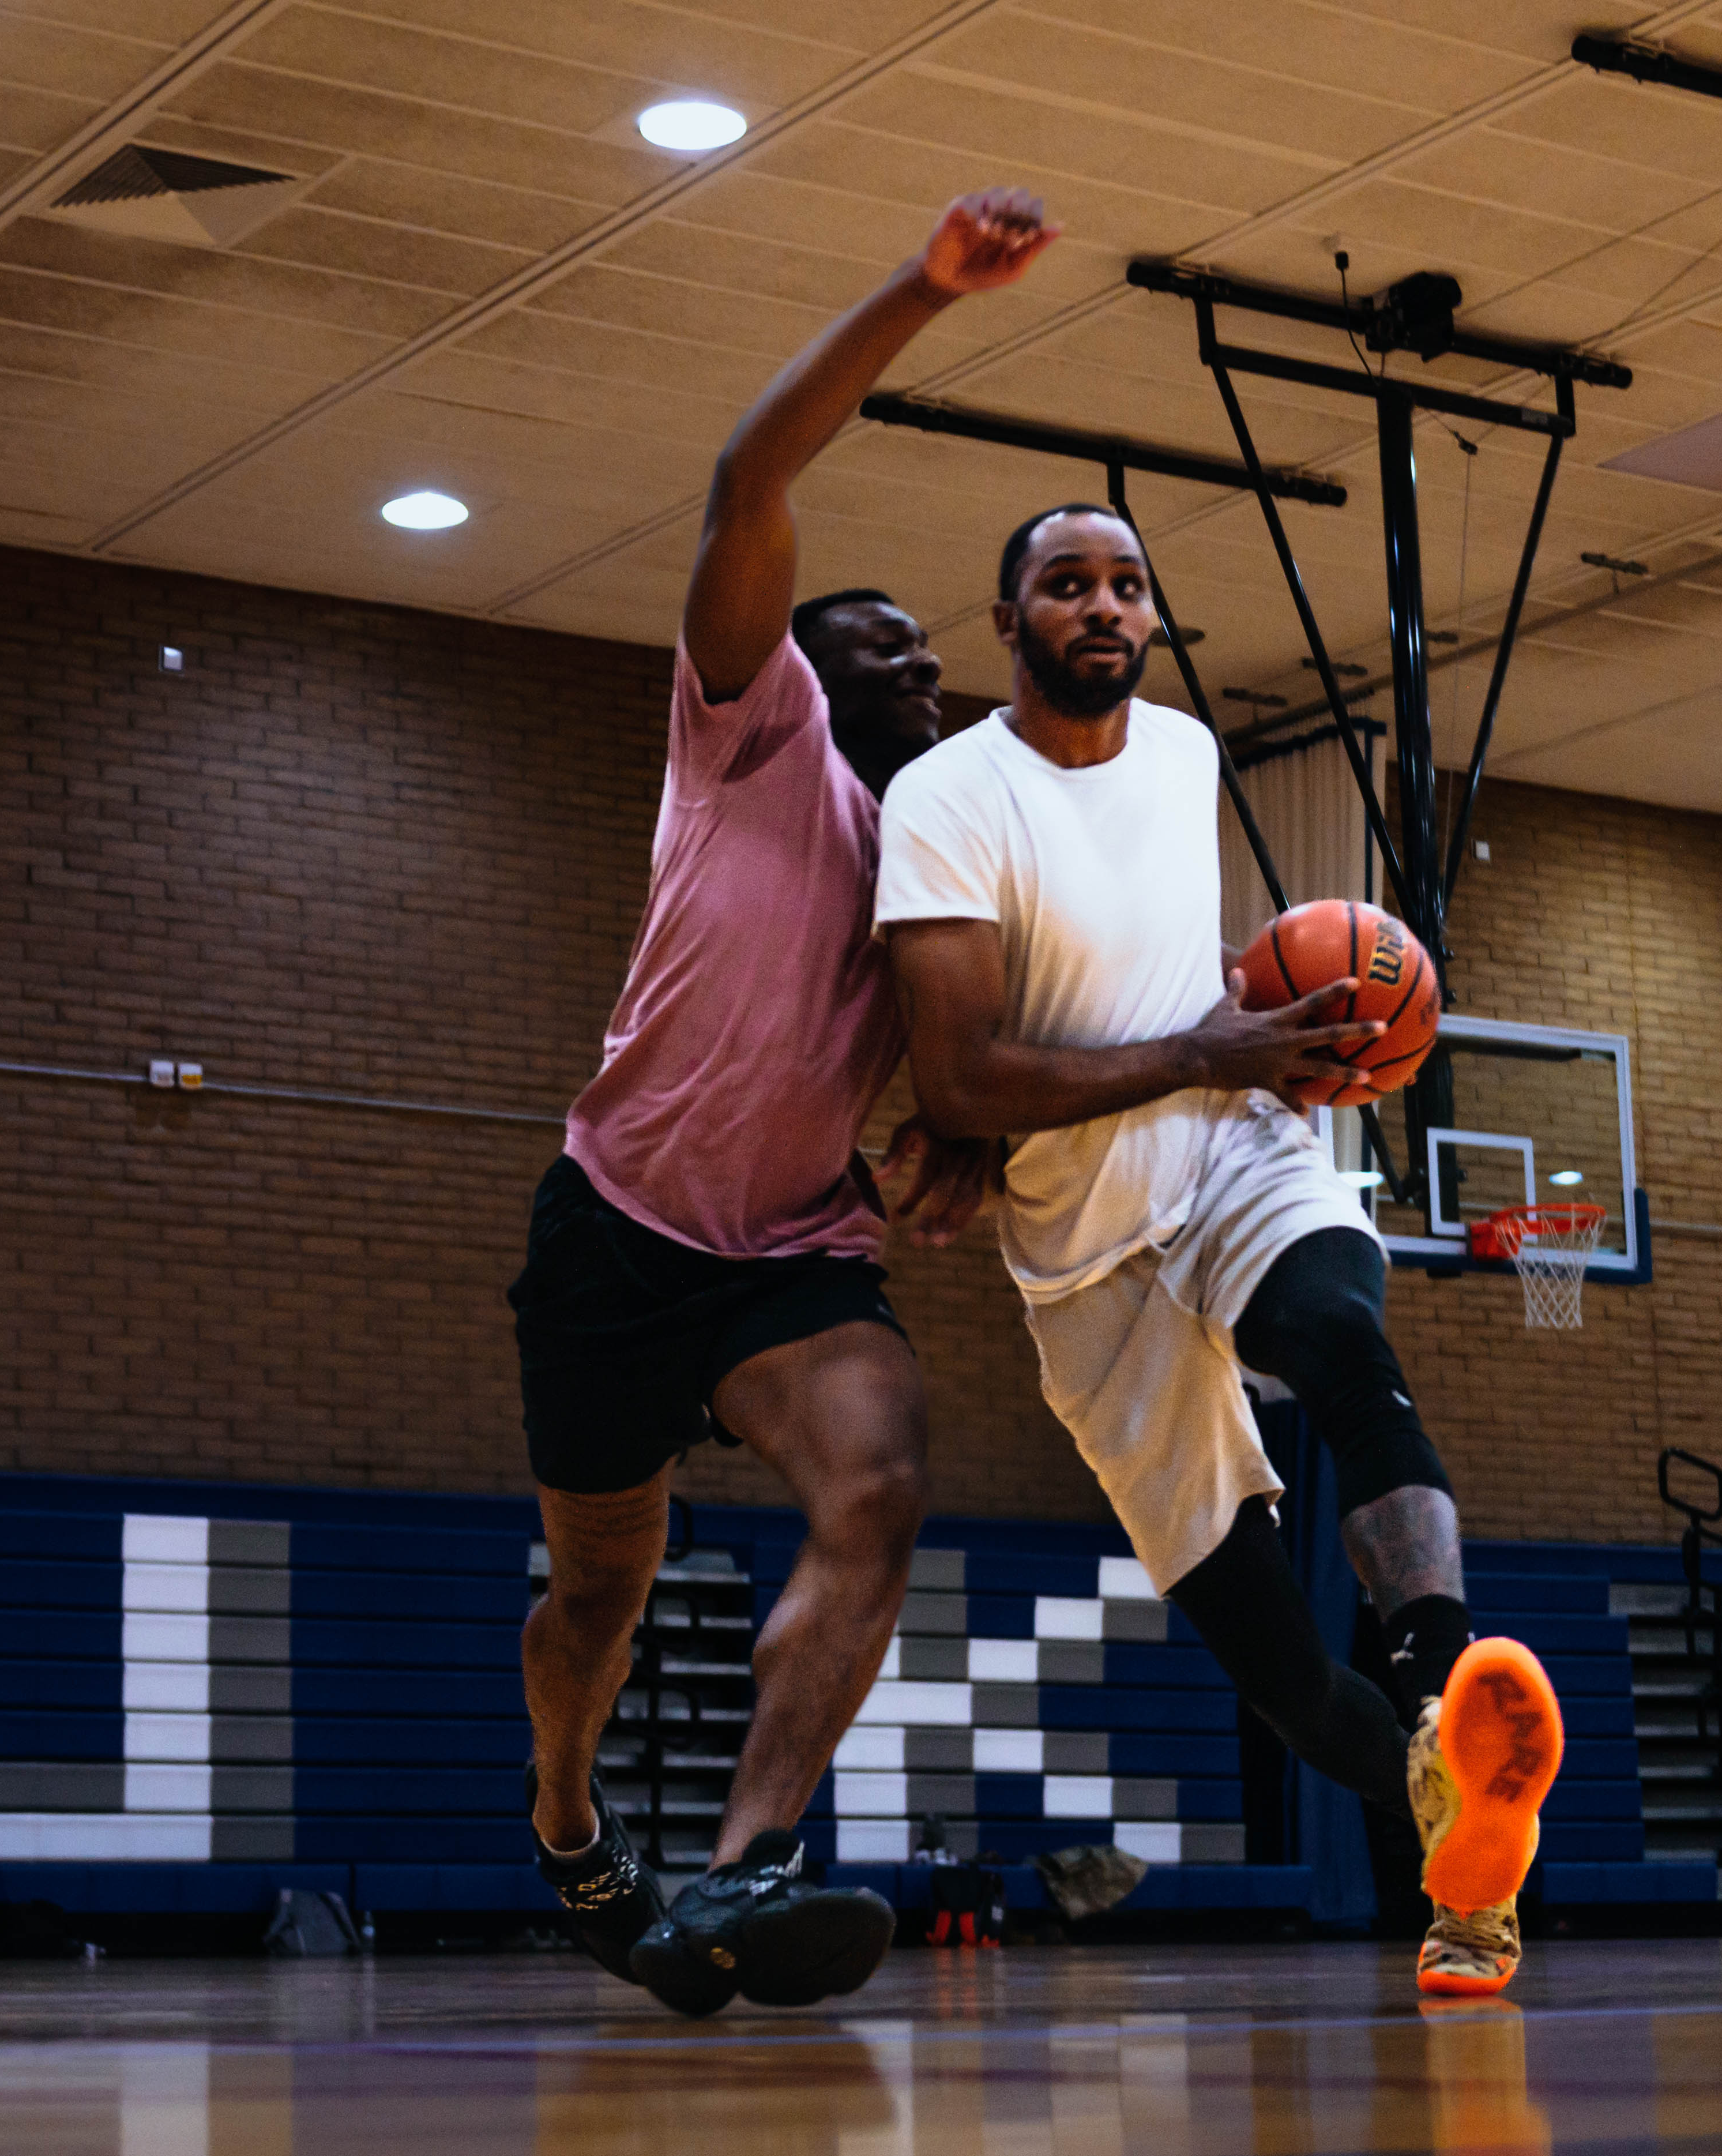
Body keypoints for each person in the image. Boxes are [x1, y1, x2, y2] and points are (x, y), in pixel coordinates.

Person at [870, 502, 1565, 1997]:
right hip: (1081, 1267)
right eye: (1067, 585)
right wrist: (1183, 1042)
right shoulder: (944, 795)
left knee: (1338, 1340)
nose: (1104, 607)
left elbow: (1164, 988)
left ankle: (1449, 1693)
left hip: (1233, 1145)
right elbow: (960, 1081)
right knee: (1283, 1678)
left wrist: (1251, 1040)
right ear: (1010, 621)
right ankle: (1454, 1838)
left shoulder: (1183, 751)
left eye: (1127, 585)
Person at [509, 187, 1058, 2018]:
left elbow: (982, 1061)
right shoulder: (750, 736)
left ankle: (744, 1870)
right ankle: (570, 1822)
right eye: (879, 647)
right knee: (597, 1594)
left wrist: (970, 1130)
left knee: (884, 1482)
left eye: (929, 652)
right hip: (614, 1225)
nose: (917, 667)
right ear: (800, 670)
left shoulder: (944, 855)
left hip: (786, 1253)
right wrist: (919, 285)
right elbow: (753, 472)